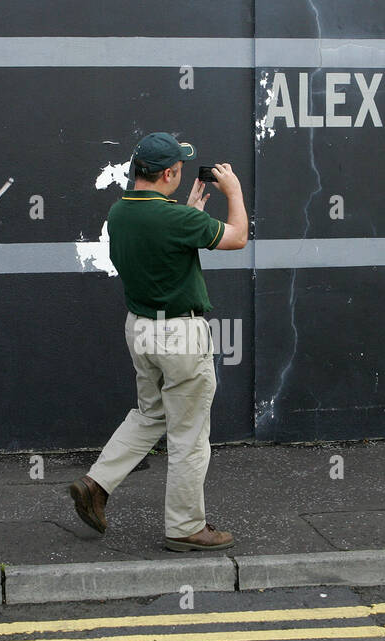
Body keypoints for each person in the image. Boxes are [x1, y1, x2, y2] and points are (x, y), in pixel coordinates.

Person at [69, 132, 248, 551]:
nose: (181, 175)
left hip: (141, 329)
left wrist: (189, 211)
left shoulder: (120, 212)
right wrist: (234, 191)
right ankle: (185, 526)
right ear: (168, 173)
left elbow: (161, 239)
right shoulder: (175, 220)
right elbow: (238, 237)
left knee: (150, 414)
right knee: (189, 435)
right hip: (180, 336)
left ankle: (96, 484)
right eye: (179, 171)